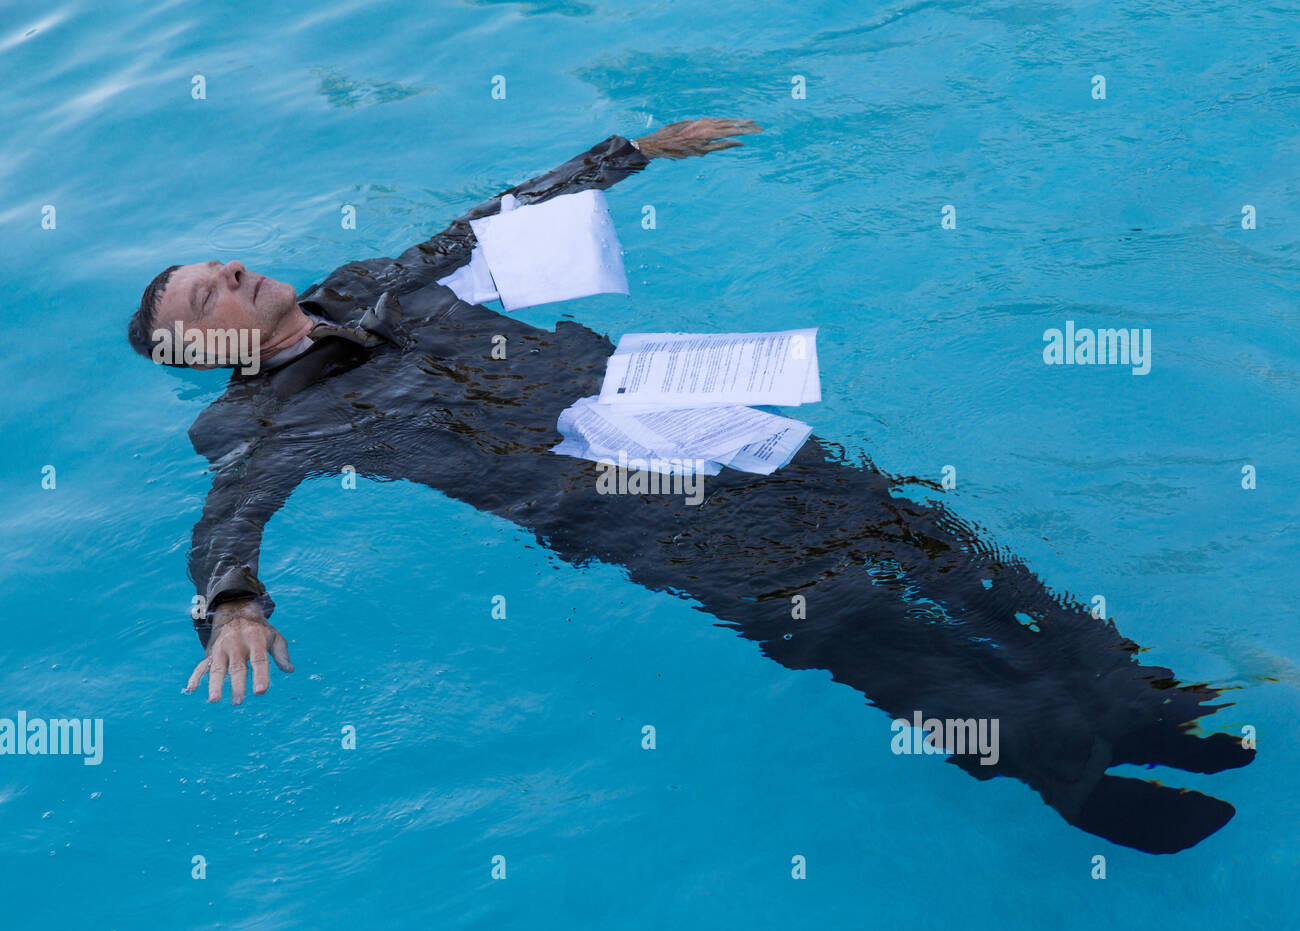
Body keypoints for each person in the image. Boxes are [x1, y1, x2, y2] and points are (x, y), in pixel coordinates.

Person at [127, 118, 1252, 853]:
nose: (228, 271)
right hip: (615, 501)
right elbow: (231, 513)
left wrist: (636, 152)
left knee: (936, 544)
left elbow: (491, 224)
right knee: (849, 623)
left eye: (218, 263)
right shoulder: (256, 418)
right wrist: (231, 604)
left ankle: (1139, 706)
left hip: (693, 419)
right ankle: (1071, 777)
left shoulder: (371, 284)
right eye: (203, 297)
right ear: (197, 354)